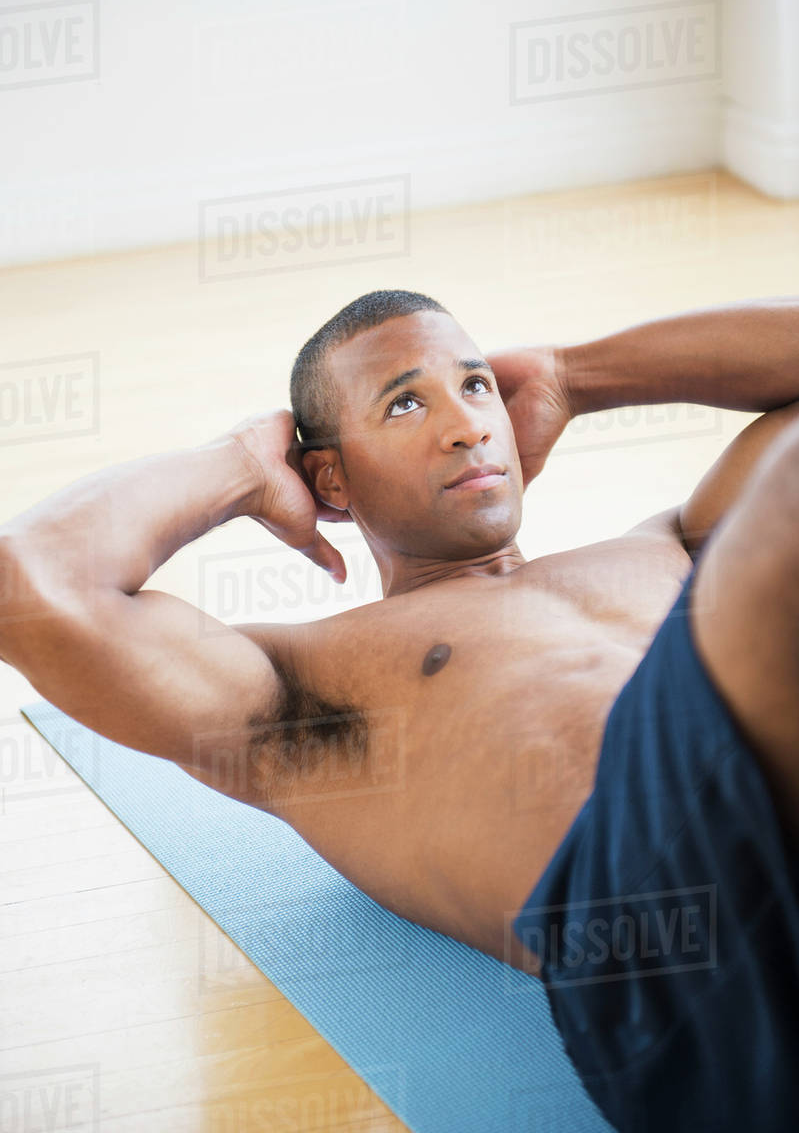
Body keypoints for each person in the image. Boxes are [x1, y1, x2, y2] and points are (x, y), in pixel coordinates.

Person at [2, 289, 798, 1130]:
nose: (465, 426)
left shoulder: (665, 545)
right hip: (667, 929)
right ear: (330, 477)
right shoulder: (301, 686)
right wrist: (240, 463)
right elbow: (33, 586)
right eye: (406, 404)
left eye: (476, 386)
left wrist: (573, 375)